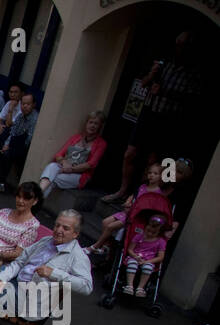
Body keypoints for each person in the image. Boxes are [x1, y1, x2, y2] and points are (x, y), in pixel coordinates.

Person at [102, 32, 202, 204]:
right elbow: (144, 83)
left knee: (154, 162)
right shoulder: (166, 64)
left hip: (169, 118)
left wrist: (165, 92)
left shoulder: (192, 72)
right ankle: (122, 190)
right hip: (149, 113)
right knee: (130, 153)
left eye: (183, 46)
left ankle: (137, 196)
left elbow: (194, 99)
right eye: (177, 44)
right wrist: (152, 73)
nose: (179, 49)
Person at [87, 163, 169, 259]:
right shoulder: (143, 186)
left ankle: (96, 246)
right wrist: (128, 202)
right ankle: (107, 245)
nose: (151, 175)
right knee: (105, 222)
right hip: (127, 212)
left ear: (161, 177)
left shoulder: (157, 194)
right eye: (150, 173)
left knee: (110, 226)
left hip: (135, 217)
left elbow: (150, 209)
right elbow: (133, 196)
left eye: (155, 173)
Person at [37, 111, 107, 198]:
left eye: (96, 124)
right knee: (52, 166)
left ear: (100, 126)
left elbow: (91, 165)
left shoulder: (101, 143)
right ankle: (36, 199)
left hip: (80, 176)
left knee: (52, 178)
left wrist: (71, 169)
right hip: (65, 168)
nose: (92, 126)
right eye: (90, 122)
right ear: (86, 123)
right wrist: (64, 163)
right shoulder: (76, 137)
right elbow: (58, 155)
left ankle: (34, 200)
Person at [121, 215, 168, 297]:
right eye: (148, 230)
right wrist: (135, 256)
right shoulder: (139, 236)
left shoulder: (161, 242)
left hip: (148, 260)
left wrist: (146, 262)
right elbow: (130, 249)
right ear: (146, 227)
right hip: (135, 257)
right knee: (132, 264)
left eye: (153, 232)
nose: (150, 233)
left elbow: (160, 257)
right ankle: (129, 286)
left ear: (159, 232)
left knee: (148, 268)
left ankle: (140, 288)